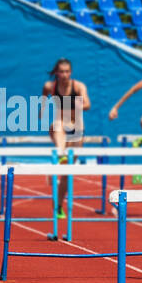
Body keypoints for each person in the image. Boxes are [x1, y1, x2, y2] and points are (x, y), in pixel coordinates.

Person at [42, 58, 90, 215]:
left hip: (76, 131)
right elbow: (43, 97)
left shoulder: (78, 86)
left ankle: (58, 206)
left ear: (71, 72)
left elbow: (88, 104)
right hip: (59, 129)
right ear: (56, 72)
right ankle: (60, 154)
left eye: (67, 71)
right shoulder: (50, 87)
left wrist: (77, 104)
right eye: (61, 71)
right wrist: (42, 109)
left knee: (66, 173)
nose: (64, 74)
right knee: (58, 124)